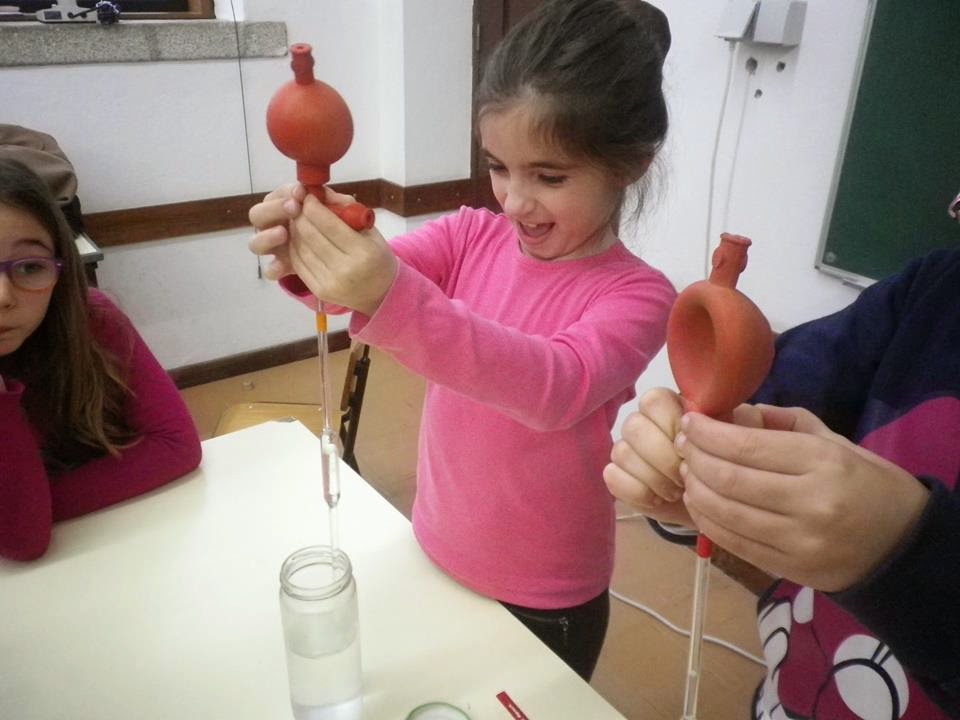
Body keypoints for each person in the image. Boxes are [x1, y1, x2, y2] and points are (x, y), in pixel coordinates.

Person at [247, 0, 677, 680]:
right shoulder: (471, 234)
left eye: (549, 176)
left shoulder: (638, 296)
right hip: (431, 544)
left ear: (630, 165)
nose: (513, 199)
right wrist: (312, 255)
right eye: (499, 166)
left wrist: (384, 291)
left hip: (545, 593)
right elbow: (363, 288)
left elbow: (551, 386)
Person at [604, 244, 960, 716]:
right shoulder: (935, 291)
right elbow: (771, 392)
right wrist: (686, 463)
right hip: (794, 694)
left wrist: (910, 556)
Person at [0, 159, 202, 562]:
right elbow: (25, 540)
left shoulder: (91, 317)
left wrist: (32, 503)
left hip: (111, 553)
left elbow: (177, 446)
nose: (3, 298)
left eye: (29, 267)